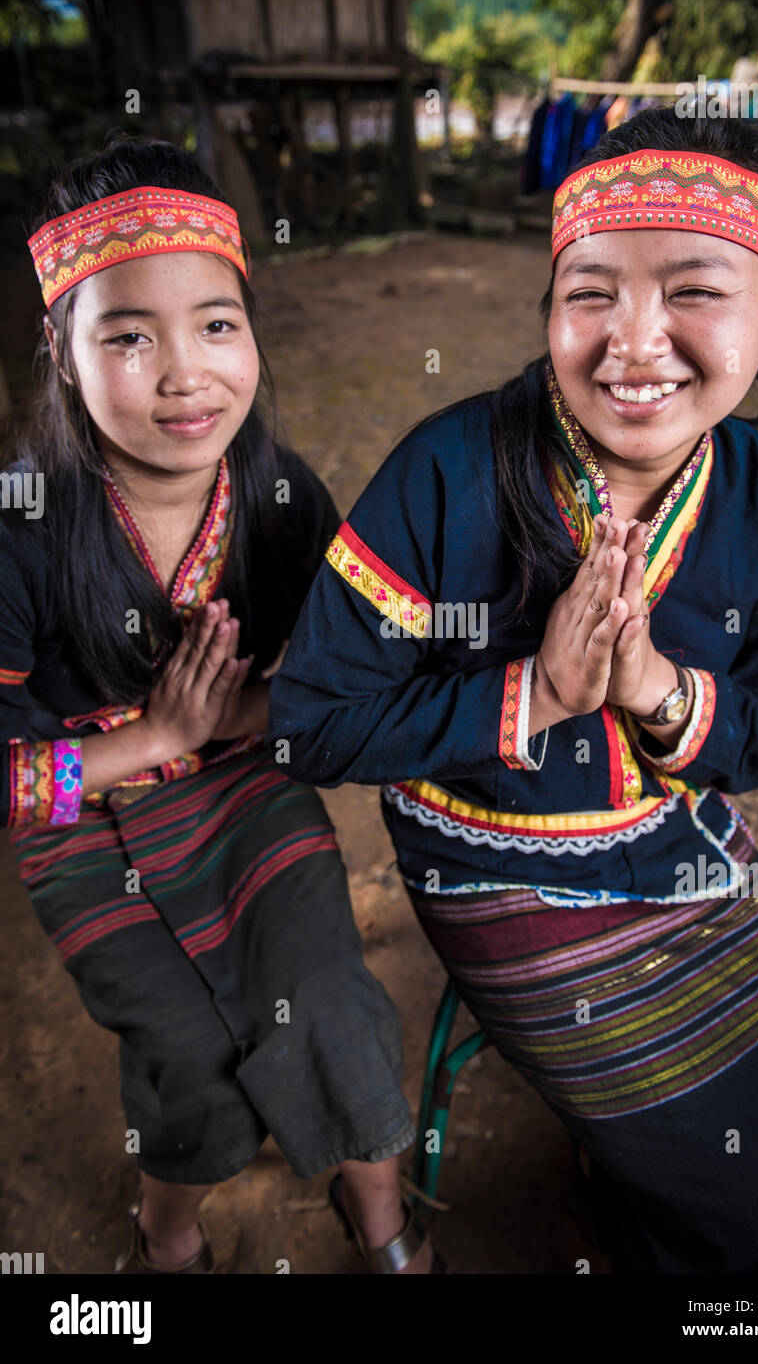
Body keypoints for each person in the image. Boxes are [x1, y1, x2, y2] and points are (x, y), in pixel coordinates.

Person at [268, 108, 758, 1273]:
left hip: (681, 843)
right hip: (497, 867)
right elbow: (309, 725)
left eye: (696, 291)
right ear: (551, 300)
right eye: (591, 290)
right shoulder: (445, 473)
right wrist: (533, 696)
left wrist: (659, 690)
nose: (634, 341)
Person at [3, 134, 438, 1275]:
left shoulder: (285, 498)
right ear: (59, 348)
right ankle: (171, 1233)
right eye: (128, 335)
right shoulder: (21, 528)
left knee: (329, 988)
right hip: (84, 819)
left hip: (242, 780)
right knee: (184, 1049)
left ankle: (381, 1210)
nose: (186, 374)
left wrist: (247, 718)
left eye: (215, 323)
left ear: (251, 329)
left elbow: (349, 670)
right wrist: (150, 737)